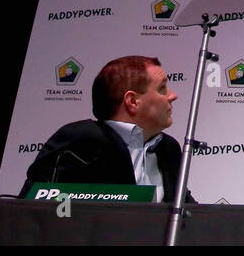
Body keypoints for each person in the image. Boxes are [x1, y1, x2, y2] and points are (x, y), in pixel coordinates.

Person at [21, 55, 191, 203]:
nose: (173, 95)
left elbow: (190, 213)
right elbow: (34, 211)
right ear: (132, 102)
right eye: (162, 88)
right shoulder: (81, 140)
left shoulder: (168, 149)